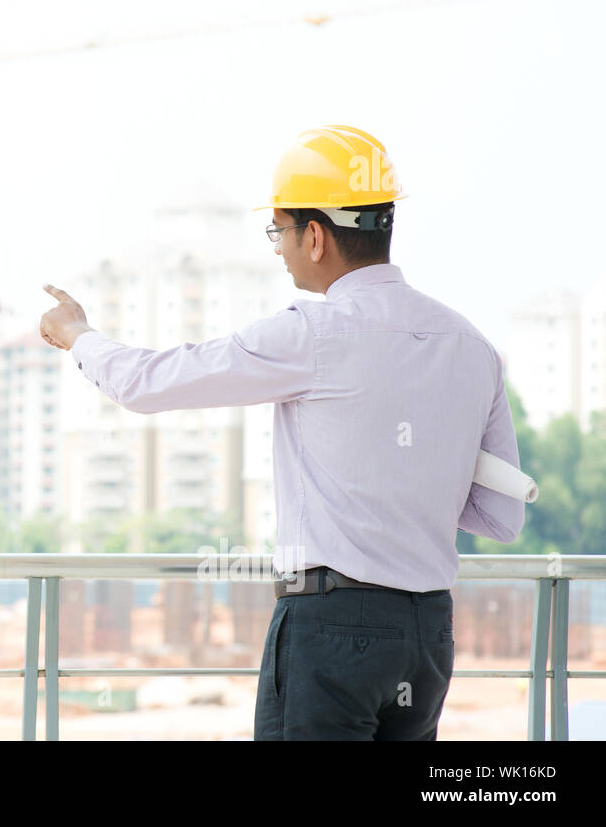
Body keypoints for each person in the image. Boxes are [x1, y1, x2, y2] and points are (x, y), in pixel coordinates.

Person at [38, 124, 526, 740]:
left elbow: (147, 384)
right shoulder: (471, 346)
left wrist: (78, 334)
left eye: (280, 230)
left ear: (316, 235)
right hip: (427, 633)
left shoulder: (311, 334)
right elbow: (502, 517)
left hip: (332, 627)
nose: (277, 248)